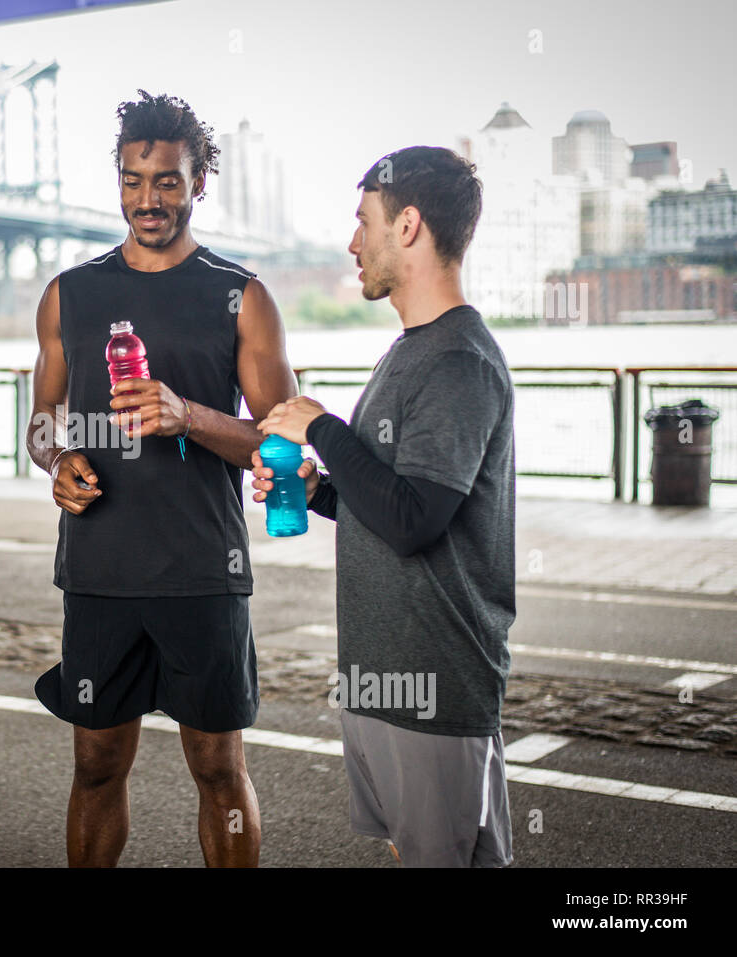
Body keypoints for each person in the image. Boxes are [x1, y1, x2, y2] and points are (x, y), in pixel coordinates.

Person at [27, 91, 297, 867]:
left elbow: (284, 451)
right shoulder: (68, 294)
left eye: (168, 181)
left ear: (198, 182)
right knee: (95, 764)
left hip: (202, 570)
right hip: (100, 568)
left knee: (218, 769)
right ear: (118, 179)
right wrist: (59, 461)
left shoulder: (240, 295)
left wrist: (192, 416)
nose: (149, 199)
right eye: (134, 179)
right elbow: (43, 421)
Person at [253, 146, 515, 868]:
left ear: (408, 226)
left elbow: (415, 520)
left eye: (363, 221)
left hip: (433, 682)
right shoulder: (410, 350)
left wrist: (321, 428)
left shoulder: (459, 359)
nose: (352, 241)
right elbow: (393, 498)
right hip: (385, 678)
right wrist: (318, 487)